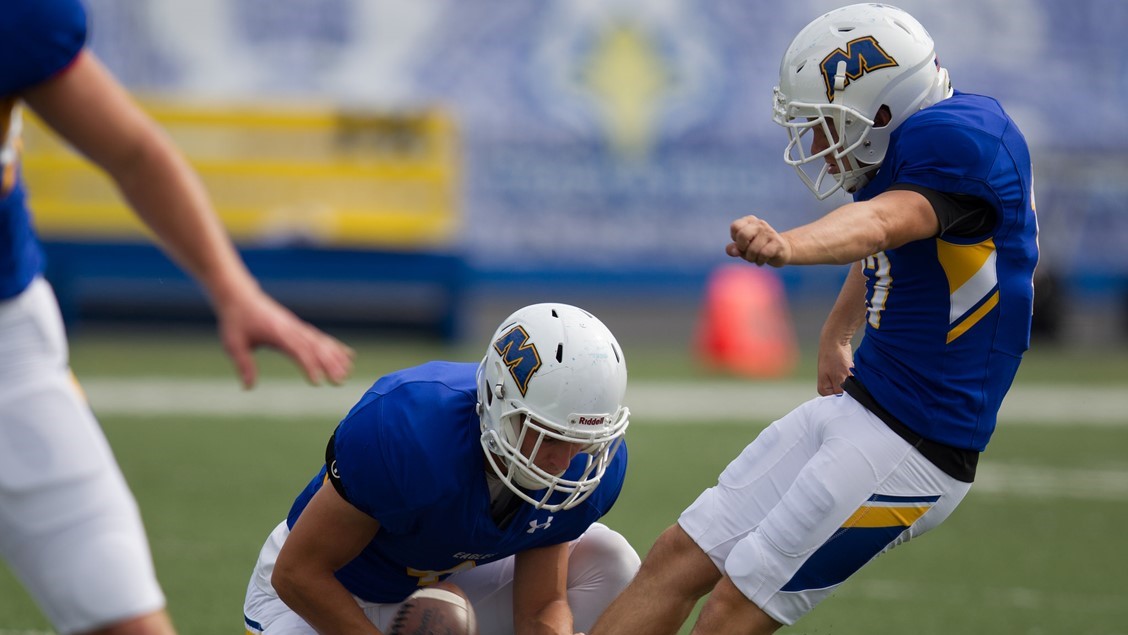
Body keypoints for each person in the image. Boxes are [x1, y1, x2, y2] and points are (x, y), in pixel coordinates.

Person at [592, 4, 1039, 634]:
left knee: (733, 607)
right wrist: (838, 330)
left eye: (831, 125)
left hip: (914, 444)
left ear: (886, 109)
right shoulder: (914, 145)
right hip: (863, 404)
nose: (821, 146)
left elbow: (887, 222)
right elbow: (892, 238)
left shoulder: (965, 142)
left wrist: (788, 246)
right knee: (679, 556)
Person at [0, 1, 355, 633]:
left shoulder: (20, 17)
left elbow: (133, 151)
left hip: (9, 346)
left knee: (127, 617)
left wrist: (233, 290)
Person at [242, 302, 641, 635]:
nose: (564, 462)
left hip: (444, 586)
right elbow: (298, 574)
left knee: (610, 561)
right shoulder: (409, 429)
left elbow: (540, 607)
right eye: (549, 436)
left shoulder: (585, 466)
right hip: (326, 596)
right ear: (499, 402)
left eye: (581, 440)